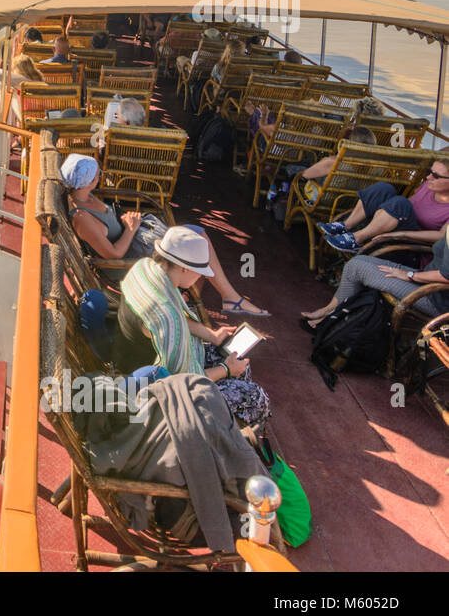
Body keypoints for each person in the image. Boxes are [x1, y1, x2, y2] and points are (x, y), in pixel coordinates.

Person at [62, 154, 269, 316]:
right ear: (88, 180)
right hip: (130, 262)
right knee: (196, 244)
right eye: (97, 173)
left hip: (138, 243)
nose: (100, 175)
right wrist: (131, 228)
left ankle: (222, 297)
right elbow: (113, 255)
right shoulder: (82, 217)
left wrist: (130, 224)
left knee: (198, 234)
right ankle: (201, 300)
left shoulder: (85, 197)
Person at [119, 227, 272, 429]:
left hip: (139, 358)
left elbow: (178, 320)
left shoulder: (146, 268)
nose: (200, 278)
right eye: (199, 272)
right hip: (157, 386)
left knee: (235, 358)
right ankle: (221, 436)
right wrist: (226, 370)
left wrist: (212, 335)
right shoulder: (167, 317)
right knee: (255, 397)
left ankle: (230, 420)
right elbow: (184, 380)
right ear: (184, 268)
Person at [301, 224, 449, 329]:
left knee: (357, 268)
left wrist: (411, 276)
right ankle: (330, 311)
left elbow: (445, 276)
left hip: (435, 297)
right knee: (360, 261)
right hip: (426, 281)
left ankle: (329, 318)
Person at [319, 160, 449, 253]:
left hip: (411, 242)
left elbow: (442, 236)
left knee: (400, 203)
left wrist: (402, 233)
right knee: (384, 188)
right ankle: (345, 226)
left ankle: (356, 240)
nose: (428, 177)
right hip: (399, 223)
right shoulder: (428, 185)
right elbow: (412, 204)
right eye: (430, 172)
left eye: (436, 176)